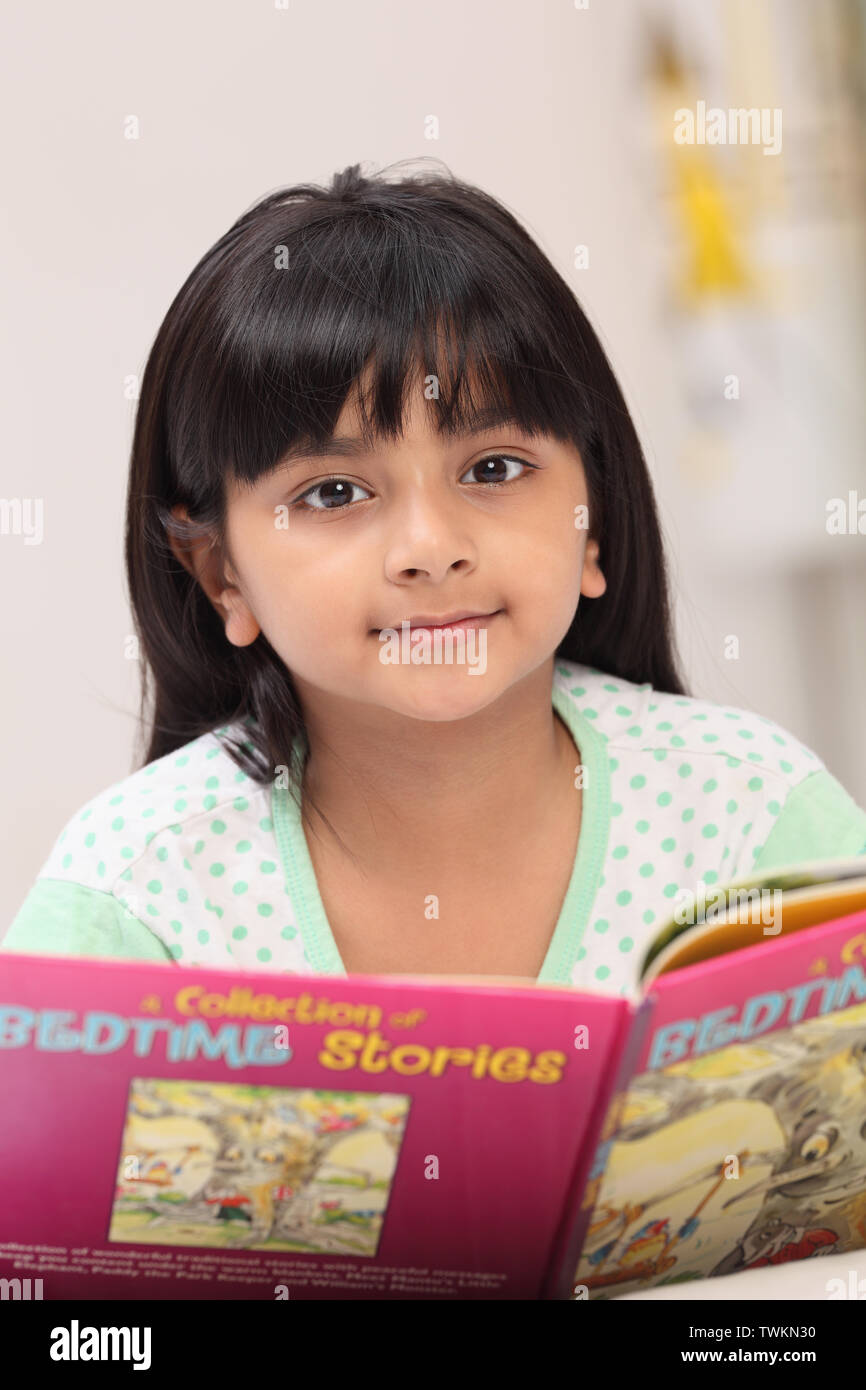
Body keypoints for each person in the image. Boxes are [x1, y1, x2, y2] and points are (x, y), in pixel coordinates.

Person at [5, 161, 866, 996]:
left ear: (592, 519)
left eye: (493, 469)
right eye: (334, 492)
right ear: (223, 574)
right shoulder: (138, 895)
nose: (430, 546)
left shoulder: (751, 817)